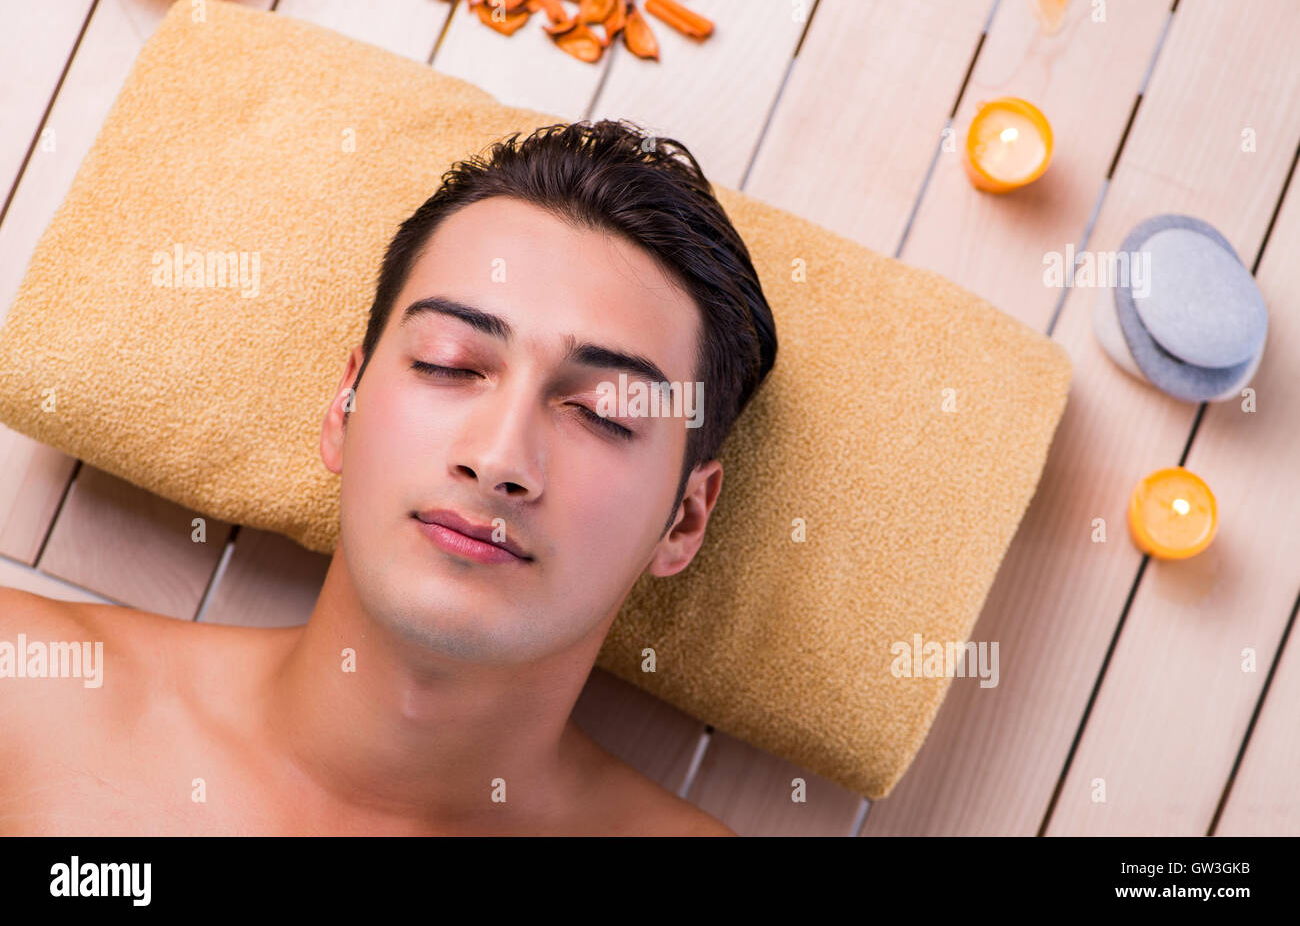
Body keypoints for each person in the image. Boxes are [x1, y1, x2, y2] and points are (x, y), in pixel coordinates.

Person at [0, 119, 778, 836]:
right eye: (451, 363)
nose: (500, 459)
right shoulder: (26, 695)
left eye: (603, 412)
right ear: (345, 404)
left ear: (682, 521)